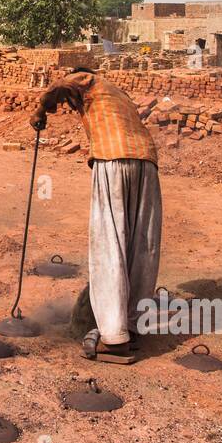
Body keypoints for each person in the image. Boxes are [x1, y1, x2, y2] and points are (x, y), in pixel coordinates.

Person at [29, 66, 161, 363]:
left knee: (109, 244)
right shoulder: (119, 95)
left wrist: (41, 110)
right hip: (146, 162)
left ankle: (113, 337)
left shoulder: (88, 80)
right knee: (141, 247)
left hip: (112, 159)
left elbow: (59, 84)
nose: (74, 106)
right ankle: (131, 326)